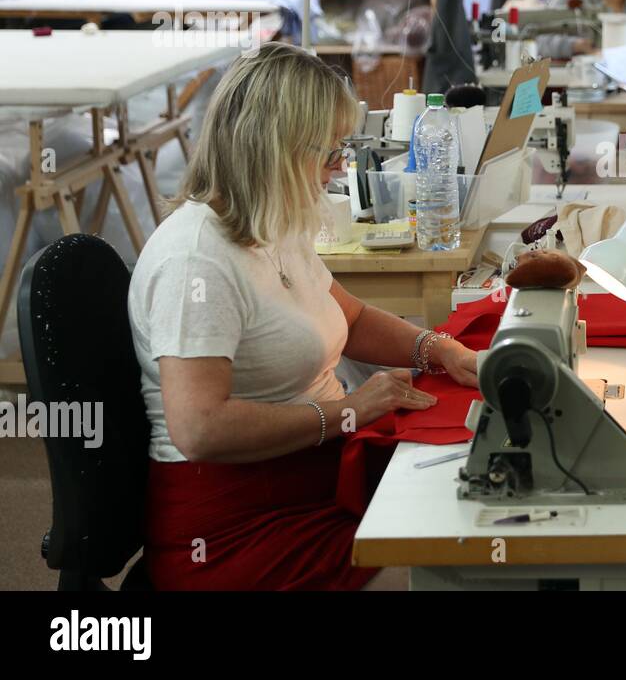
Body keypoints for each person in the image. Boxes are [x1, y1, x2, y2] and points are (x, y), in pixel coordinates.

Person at [127, 42, 479, 590]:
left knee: (461, 488)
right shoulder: (195, 261)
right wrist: (347, 412)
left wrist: (438, 349)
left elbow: (353, 320)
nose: (341, 167)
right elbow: (200, 429)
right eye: (331, 152)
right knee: (444, 560)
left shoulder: (274, 222)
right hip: (233, 524)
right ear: (277, 149)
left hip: (307, 468)